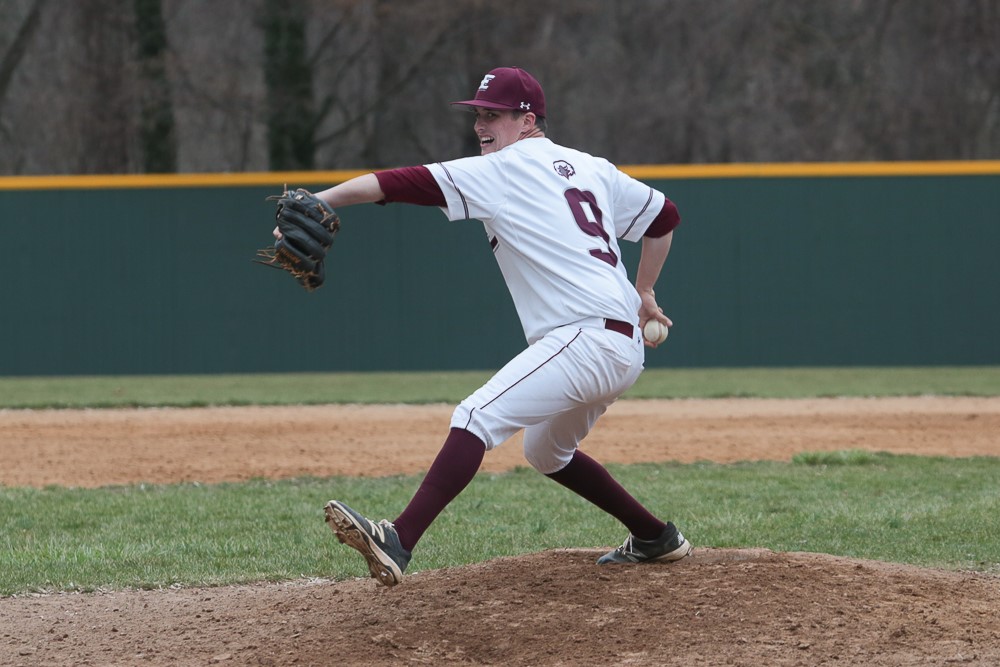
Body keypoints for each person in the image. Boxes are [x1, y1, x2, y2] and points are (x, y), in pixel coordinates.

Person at [279, 66, 689, 586]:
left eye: (492, 114)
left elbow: (401, 183)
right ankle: (655, 537)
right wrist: (645, 291)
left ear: (527, 119)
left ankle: (397, 540)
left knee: (475, 415)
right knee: (545, 451)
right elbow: (665, 217)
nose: (480, 125)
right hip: (620, 346)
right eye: (477, 115)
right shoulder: (591, 167)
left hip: (584, 339)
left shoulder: (506, 168)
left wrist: (325, 198)